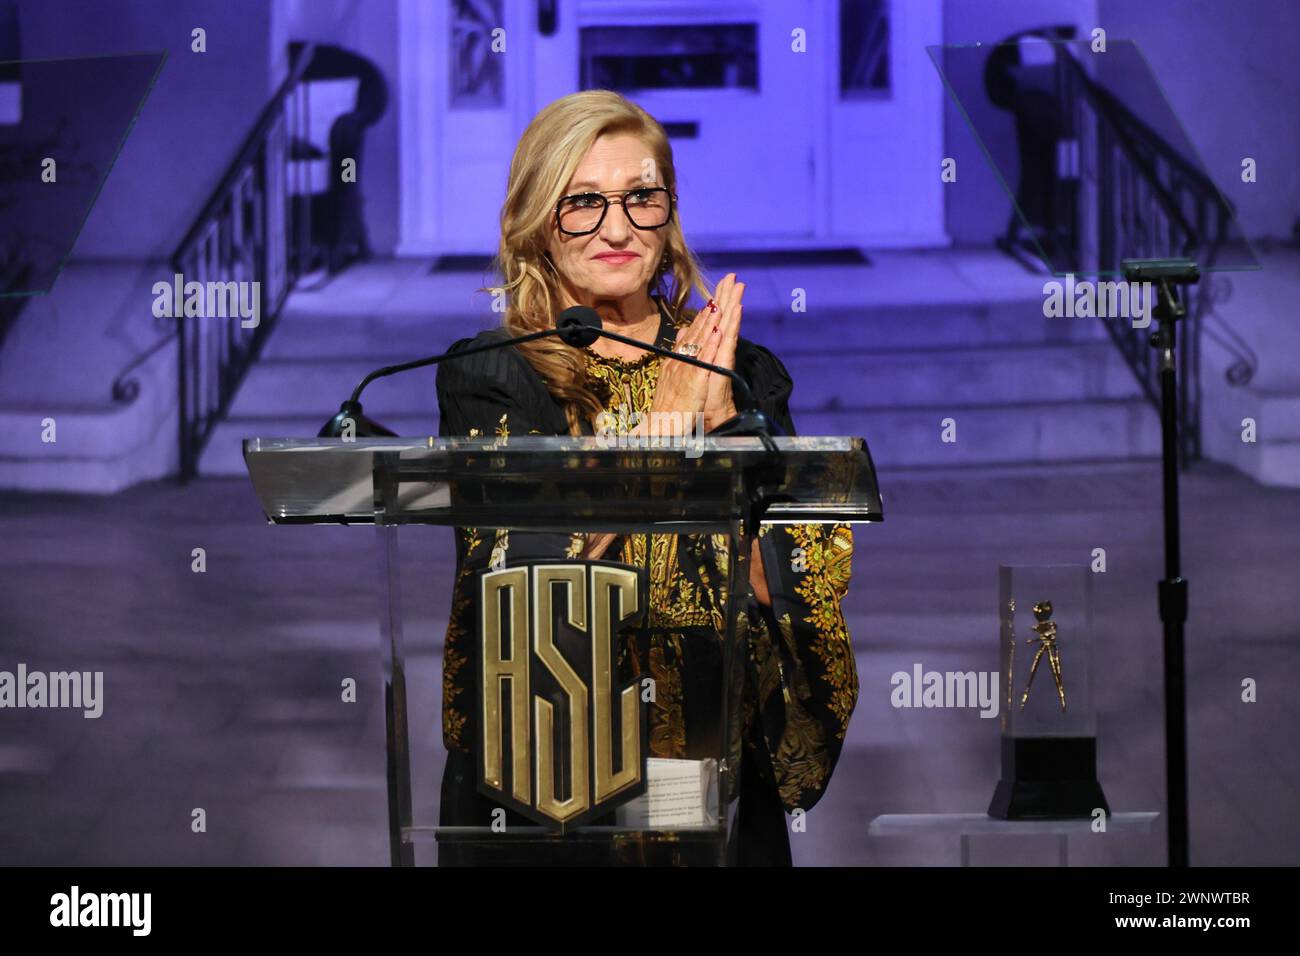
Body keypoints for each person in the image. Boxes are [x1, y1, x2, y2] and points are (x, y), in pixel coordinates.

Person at [436, 89, 857, 866]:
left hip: (712, 768)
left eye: (642, 198)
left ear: (670, 213)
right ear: (533, 218)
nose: (619, 227)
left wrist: (725, 430)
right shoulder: (493, 375)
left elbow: (802, 582)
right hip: (550, 784)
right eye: (583, 203)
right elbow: (530, 579)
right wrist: (665, 438)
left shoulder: (742, 371)